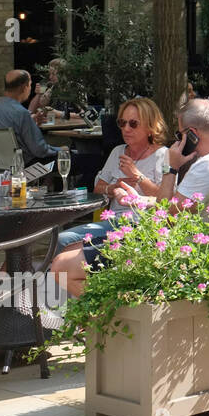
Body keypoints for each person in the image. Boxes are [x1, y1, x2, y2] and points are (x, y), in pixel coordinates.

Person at [49, 98, 170, 295]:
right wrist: (112, 189)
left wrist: (136, 175)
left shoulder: (162, 155)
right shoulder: (117, 152)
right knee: (60, 238)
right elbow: (98, 187)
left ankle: (76, 303)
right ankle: (66, 303)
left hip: (140, 223)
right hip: (113, 220)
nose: (126, 129)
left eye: (133, 123)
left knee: (64, 241)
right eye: (122, 123)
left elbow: (166, 198)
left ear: (150, 127)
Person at [0, 70, 60, 168]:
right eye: (30, 85)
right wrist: (61, 150)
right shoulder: (21, 113)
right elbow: (40, 151)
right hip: (28, 166)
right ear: (24, 87)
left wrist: (32, 123)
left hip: (1, 166)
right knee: (81, 160)